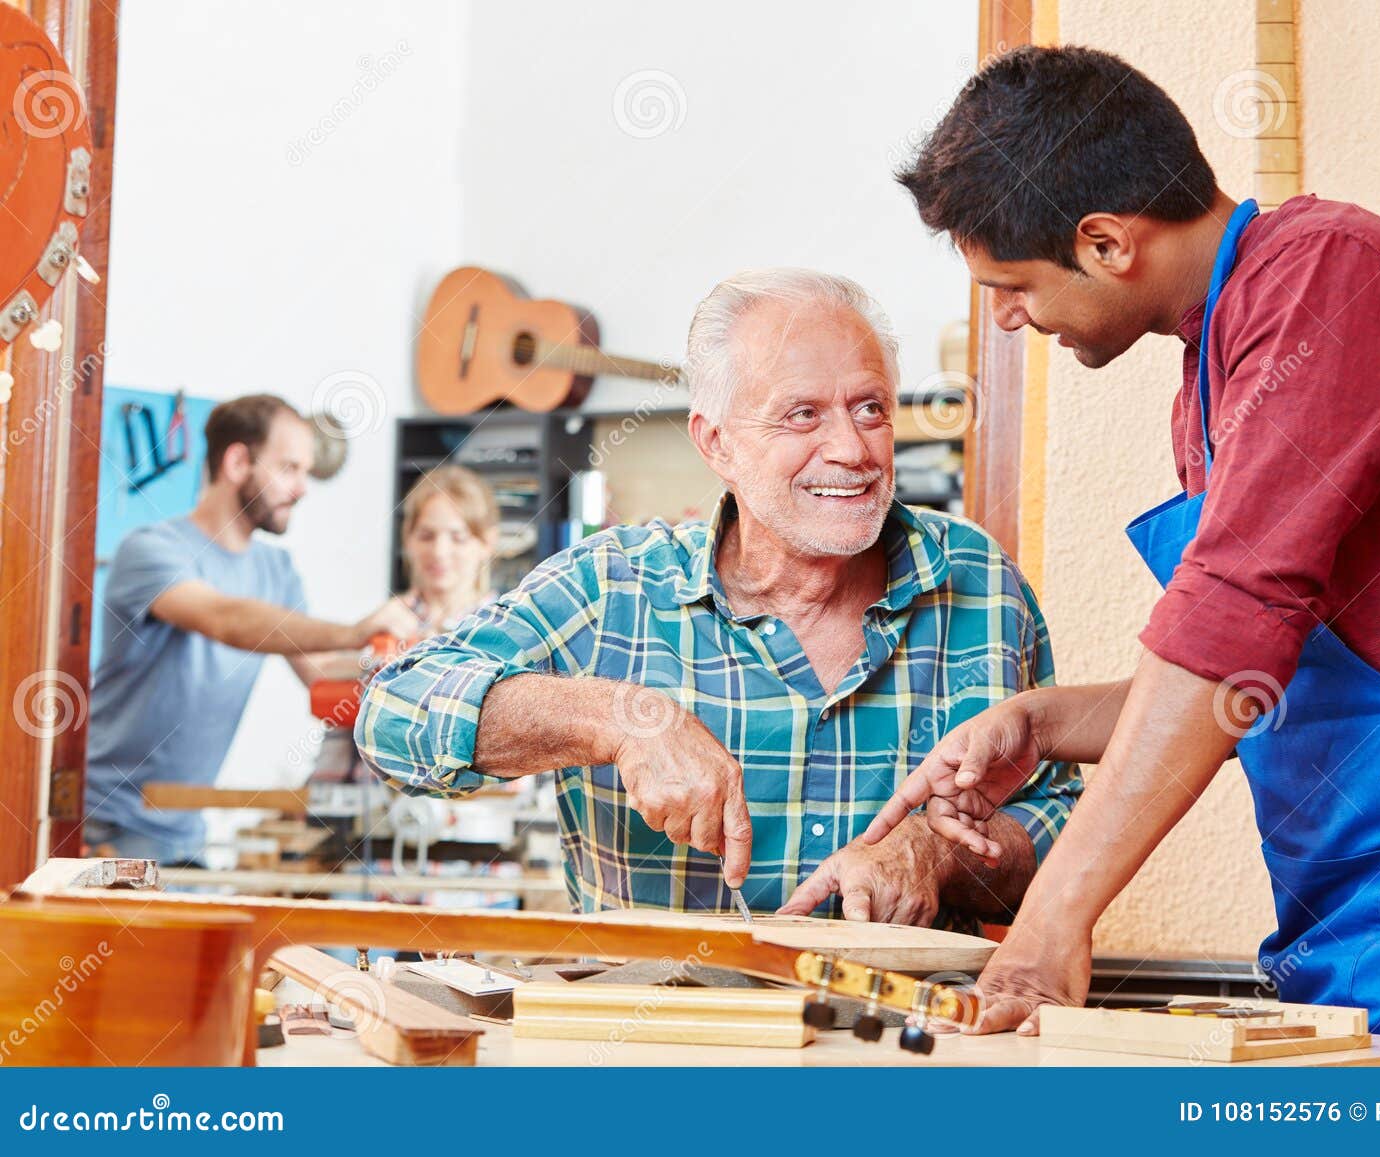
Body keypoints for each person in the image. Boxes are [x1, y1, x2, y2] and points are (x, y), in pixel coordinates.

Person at [867, 45, 1380, 1065]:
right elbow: (1261, 670)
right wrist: (1044, 718)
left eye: (1010, 283)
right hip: (1365, 915)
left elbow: (1232, 615)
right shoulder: (1209, 366)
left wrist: (1050, 919)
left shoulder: (1324, 274)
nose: (1004, 316)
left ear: (1106, 241)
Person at [356, 268, 1082, 923]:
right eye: (802, 415)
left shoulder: (979, 582)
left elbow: (1060, 822)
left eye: (870, 409)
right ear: (716, 443)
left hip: (907, 1057)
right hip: (660, 1053)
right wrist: (618, 719)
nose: (853, 450)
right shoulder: (614, 586)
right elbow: (391, 711)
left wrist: (940, 852)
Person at [84, 394, 421, 864]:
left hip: (186, 823)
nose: (303, 488)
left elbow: (322, 676)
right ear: (238, 461)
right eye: (289, 468)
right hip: (110, 821)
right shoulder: (150, 551)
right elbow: (225, 620)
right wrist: (353, 631)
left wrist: (406, 667)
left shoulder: (276, 569)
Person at [398, 465, 500, 634]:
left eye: (458, 538)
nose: (439, 552)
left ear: (487, 543)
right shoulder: (389, 621)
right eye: (426, 536)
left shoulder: (502, 626)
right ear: (408, 538)